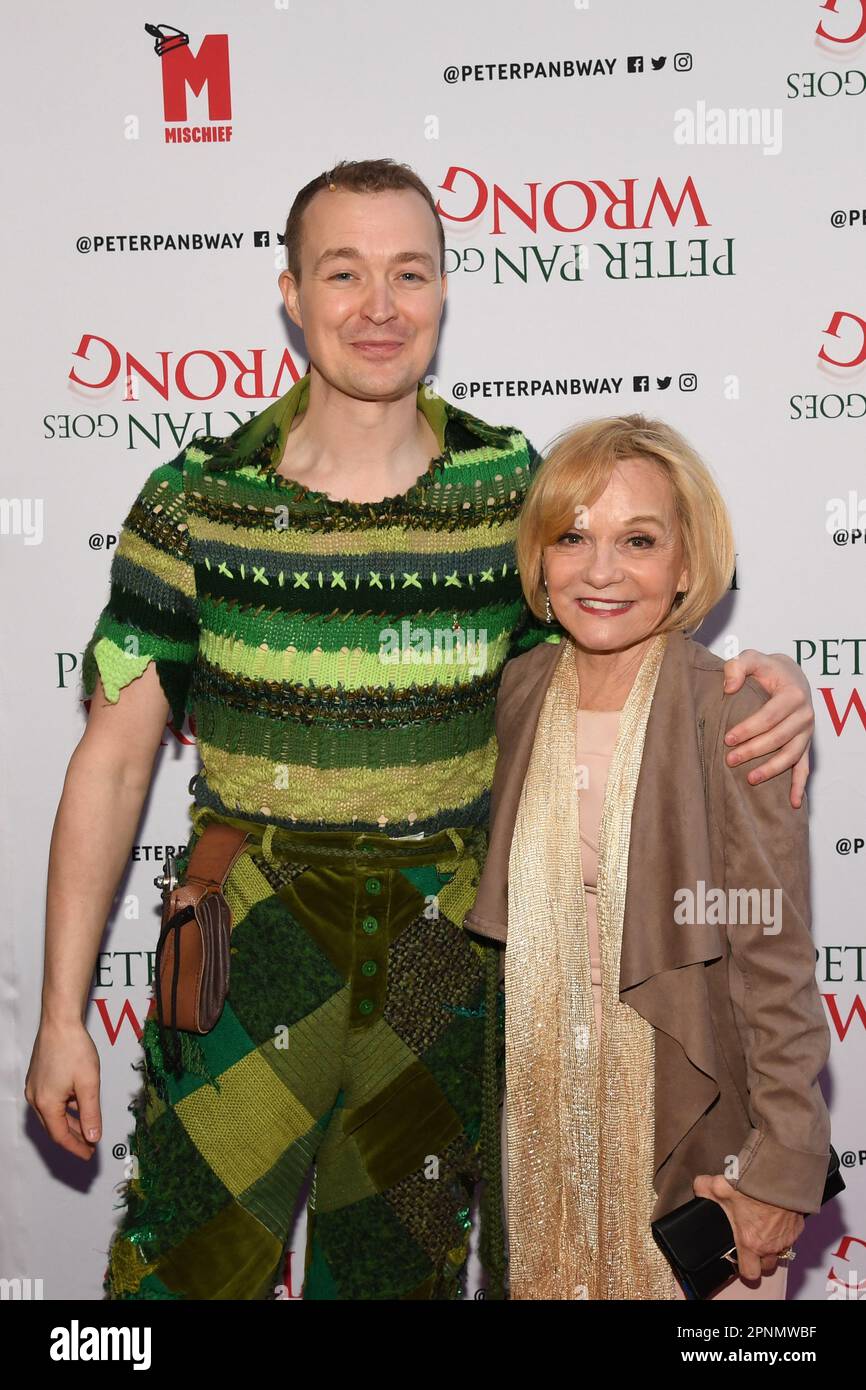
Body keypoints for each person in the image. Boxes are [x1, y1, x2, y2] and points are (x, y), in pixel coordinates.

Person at [26, 159, 817, 1302]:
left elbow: (620, 623)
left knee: (399, 1277)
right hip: (250, 945)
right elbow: (108, 765)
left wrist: (762, 677)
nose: (379, 305)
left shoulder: (509, 490)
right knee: (179, 1286)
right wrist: (60, 1017)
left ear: (445, 292)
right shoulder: (194, 496)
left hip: (441, 958)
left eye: (409, 272)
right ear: (291, 293)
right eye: (343, 272)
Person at [463, 414, 832, 1300]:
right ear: (539, 562)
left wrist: (782, 1171)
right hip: (542, 1146)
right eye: (573, 537)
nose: (600, 570)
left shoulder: (731, 711)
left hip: (701, 1165)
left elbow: (771, 957)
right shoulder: (515, 693)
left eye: (638, 540)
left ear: (685, 565)